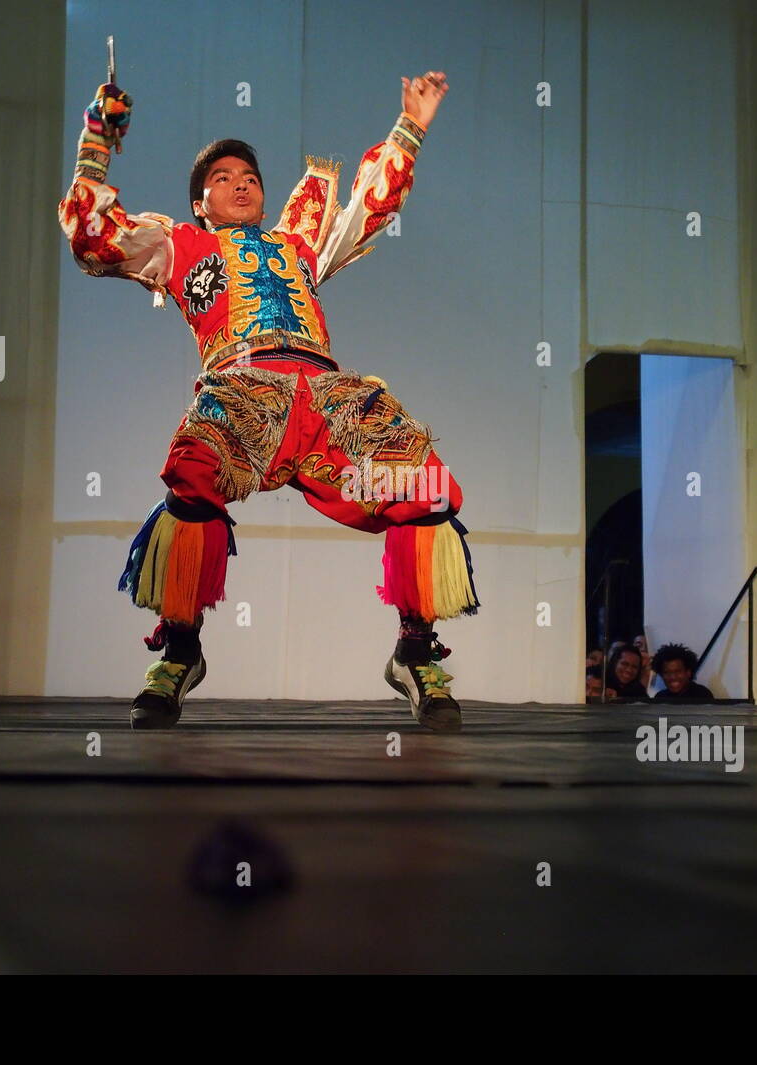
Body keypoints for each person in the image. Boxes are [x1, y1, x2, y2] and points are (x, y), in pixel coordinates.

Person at [58, 72, 480, 732]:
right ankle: (179, 650)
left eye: (249, 174)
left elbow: (370, 207)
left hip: (328, 398)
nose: (241, 181)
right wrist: (98, 140)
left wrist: (411, 127)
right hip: (241, 389)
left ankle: (416, 649)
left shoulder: (299, 246)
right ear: (200, 202)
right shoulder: (178, 245)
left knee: (420, 483)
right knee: (192, 476)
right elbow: (90, 234)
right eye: (223, 176)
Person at [649, 644, 714, 702]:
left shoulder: (702, 695)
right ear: (661, 675)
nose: (673, 677)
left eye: (678, 671)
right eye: (667, 672)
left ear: (688, 672)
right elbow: (661, 716)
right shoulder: (660, 698)